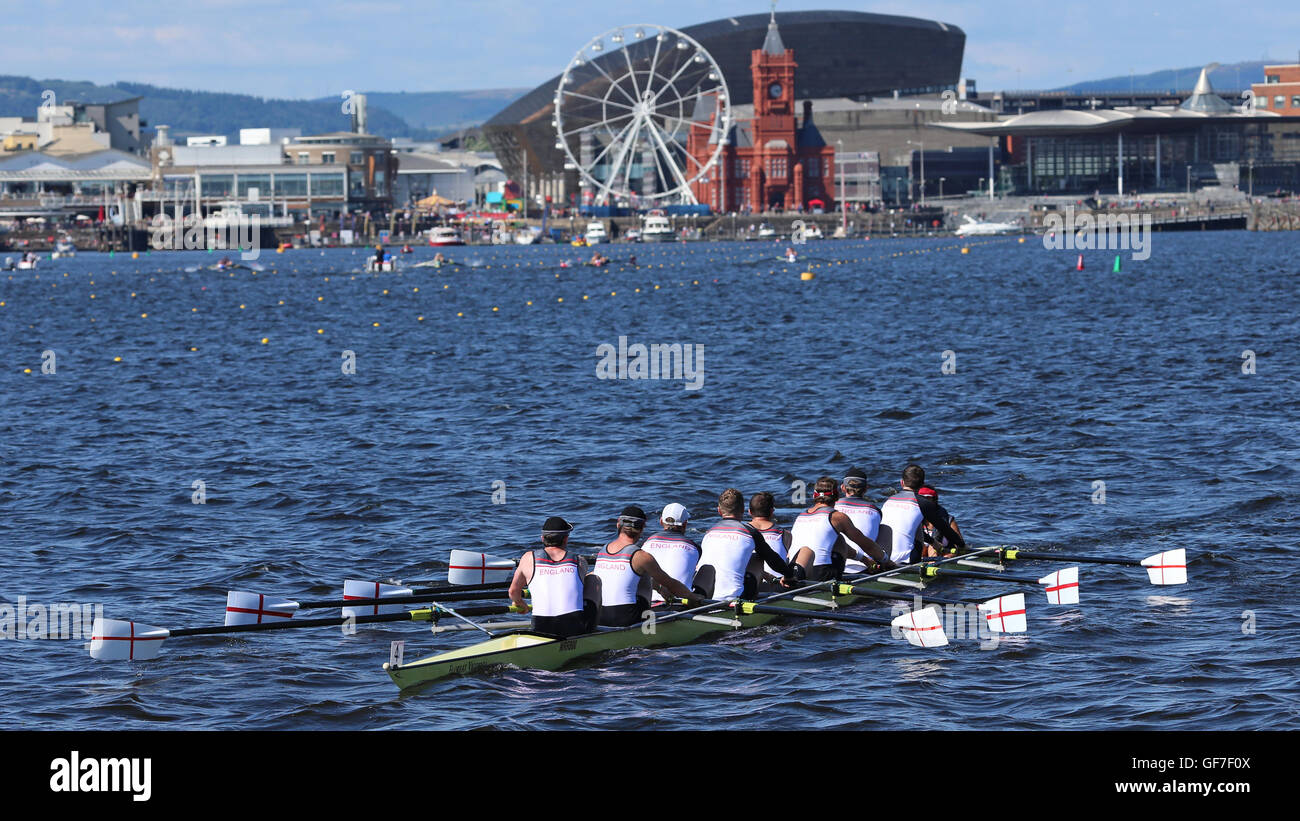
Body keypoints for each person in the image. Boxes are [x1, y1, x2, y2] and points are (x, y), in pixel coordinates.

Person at [590, 506, 703, 627]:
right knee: (645, 575)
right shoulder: (641, 556)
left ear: (618, 524)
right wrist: (693, 597)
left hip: (599, 617)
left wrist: (660, 589)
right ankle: (646, 628)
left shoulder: (602, 551)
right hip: (625, 618)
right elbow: (670, 584)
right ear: (642, 528)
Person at [695, 488, 800, 600]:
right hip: (735, 600)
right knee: (757, 557)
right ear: (743, 510)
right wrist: (788, 575)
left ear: (719, 511)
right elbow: (772, 559)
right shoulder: (750, 531)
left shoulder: (708, 534)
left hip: (707, 599)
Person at [789, 477, 895, 582]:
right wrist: (886, 560)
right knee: (840, 540)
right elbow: (866, 545)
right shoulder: (837, 517)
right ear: (837, 496)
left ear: (814, 496)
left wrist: (864, 560)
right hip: (820, 574)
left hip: (798, 573)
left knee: (837, 539)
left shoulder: (800, 516)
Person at [508, 517, 594, 638]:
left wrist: (519, 602)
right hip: (572, 626)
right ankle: (593, 630)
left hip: (541, 626)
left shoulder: (528, 558)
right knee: (594, 581)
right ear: (566, 539)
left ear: (542, 538)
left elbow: (513, 592)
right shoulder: (580, 561)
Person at [878, 465, 967, 565]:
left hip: (881, 558)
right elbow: (943, 528)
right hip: (906, 561)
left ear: (902, 482)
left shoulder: (888, 501)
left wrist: (932, 542)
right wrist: (962, 545)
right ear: (922, 485)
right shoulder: (922, 503)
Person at [640, 503, 700, 603]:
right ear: (685, 524)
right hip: (680, 604)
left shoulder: (645, 544)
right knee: (706, 569)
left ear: (661, 521)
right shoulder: (695, 548)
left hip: (648, 603)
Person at [834, 468, 882, 574]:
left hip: (836, 567)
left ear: (842, 488)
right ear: (866, 488)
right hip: (866, 568)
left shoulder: (832, 509)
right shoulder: (875, 510)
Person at [747, 491, 791, 580]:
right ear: (772, 511)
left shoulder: (741, 532)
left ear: (749, 512)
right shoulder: (785, 534)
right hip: (778, 582)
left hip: (749, 581)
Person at [917, 486, 963, 557]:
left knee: (932, 547)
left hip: (944, 555)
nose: (924, 501)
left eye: (928, 498)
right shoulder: (915, 520)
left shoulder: (948, 520)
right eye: (922, 498)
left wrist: (949, 556)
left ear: (935, 500)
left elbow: (960, 547)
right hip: (921, 556)